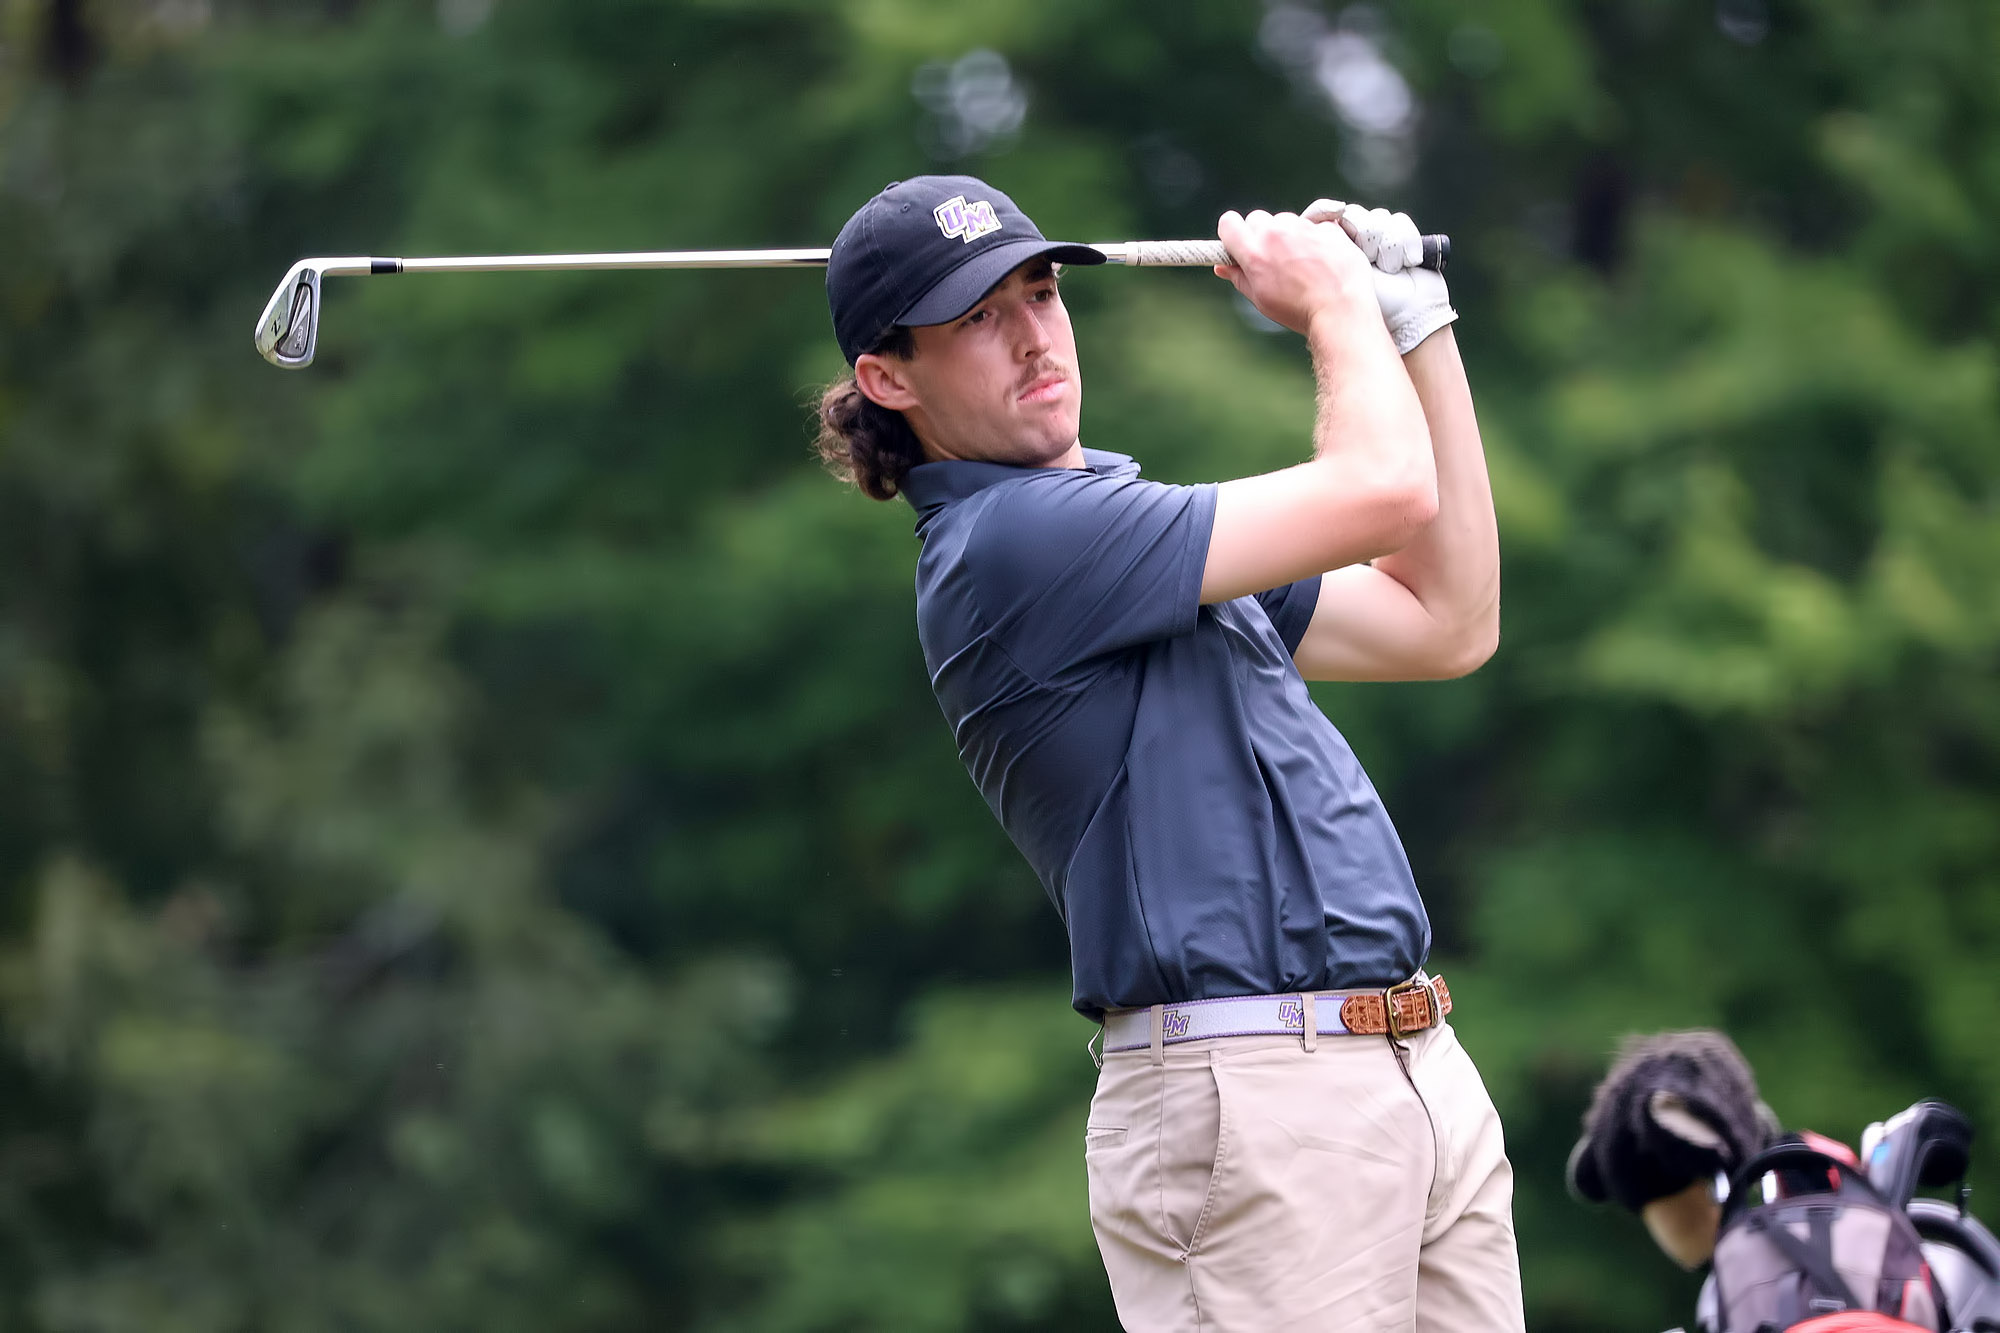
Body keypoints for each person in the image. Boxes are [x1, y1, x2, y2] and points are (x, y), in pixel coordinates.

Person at [813, 173, 1516, 1332]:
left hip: (1409, 1070)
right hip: (1252, 1103)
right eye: (978, 319)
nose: (1032, 336)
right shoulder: (1011, 545)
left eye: (1039, 294)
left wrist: (1416, 325)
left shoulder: (1120, 522)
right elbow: (1381, 491)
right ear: (890, 380)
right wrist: (1337, 307)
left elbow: (1447, 621)